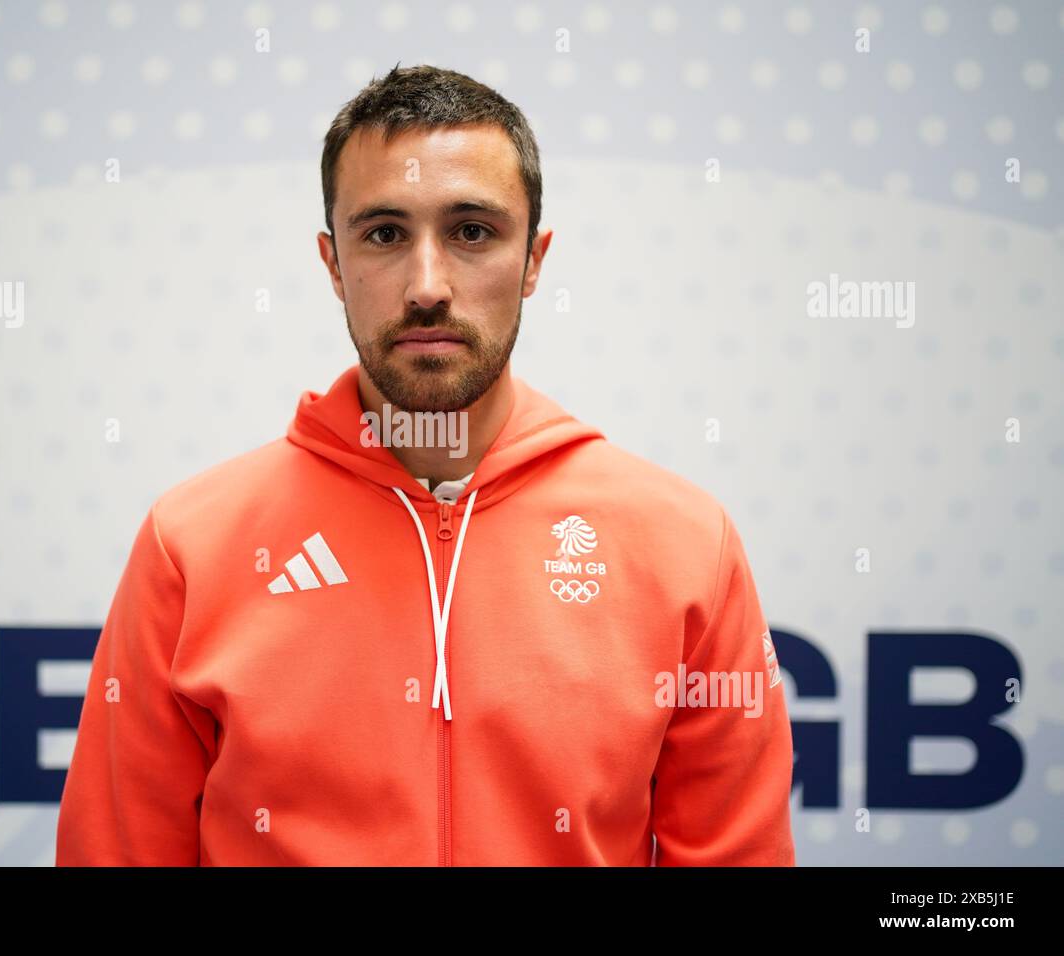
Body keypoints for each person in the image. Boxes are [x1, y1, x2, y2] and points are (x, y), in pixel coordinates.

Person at [56, 64, 796, 866]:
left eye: (472, 231)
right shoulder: (192, 547)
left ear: (535, 259)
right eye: (383, 234)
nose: (427, 286)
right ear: (333, 263)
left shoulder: (681, 546)